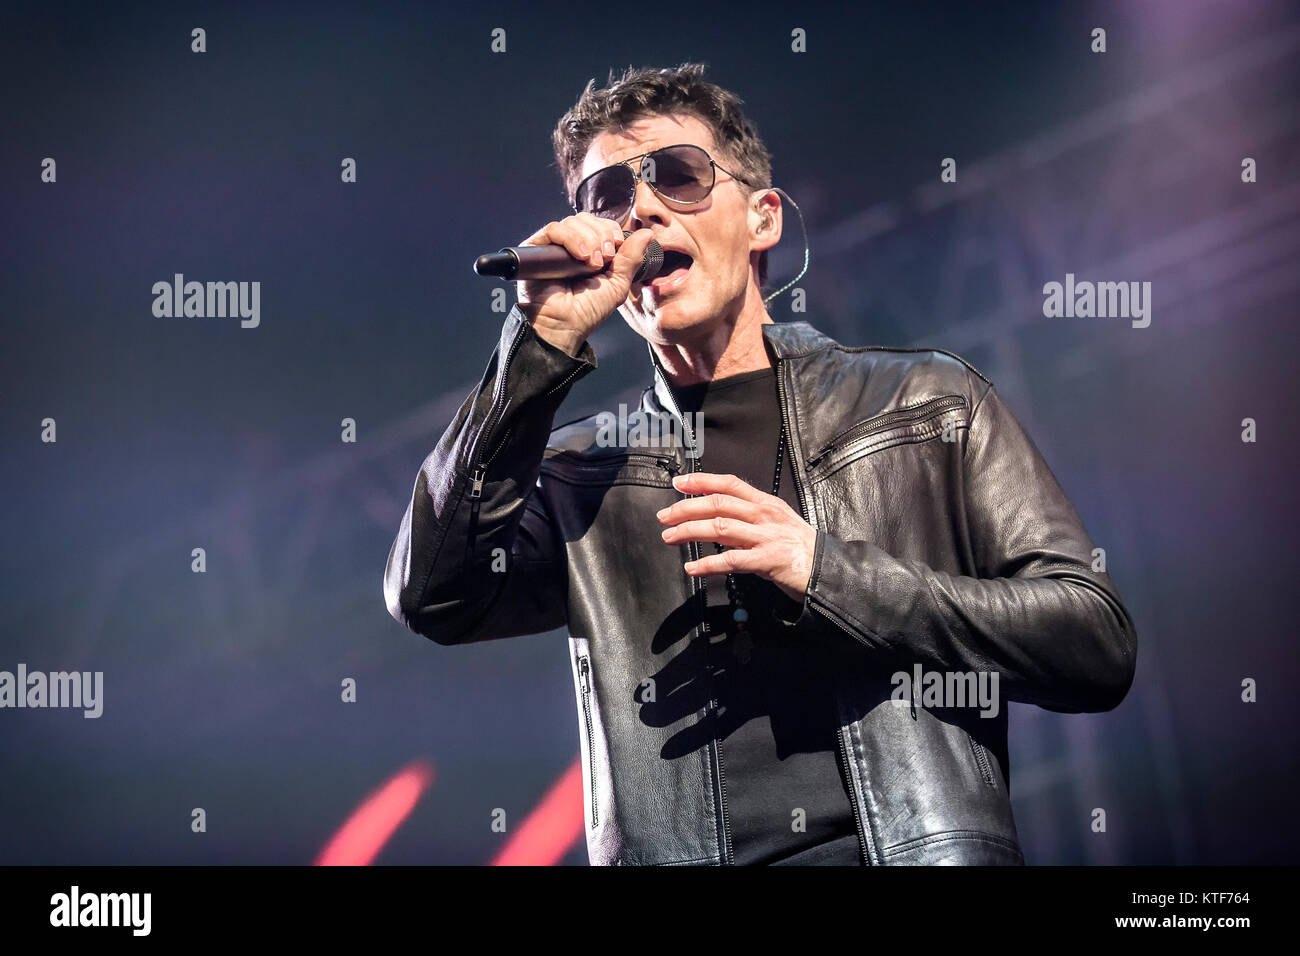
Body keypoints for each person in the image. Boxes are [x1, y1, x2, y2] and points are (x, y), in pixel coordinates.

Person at [384, 62, 1137, 865]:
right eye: (607, 196)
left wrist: (829, 574)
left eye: (678, 177)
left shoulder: (925, 402)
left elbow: (1093, 644)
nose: (639, 208)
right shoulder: (582, 476)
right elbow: (433, 593)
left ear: (763, 218)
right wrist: (539, 345)